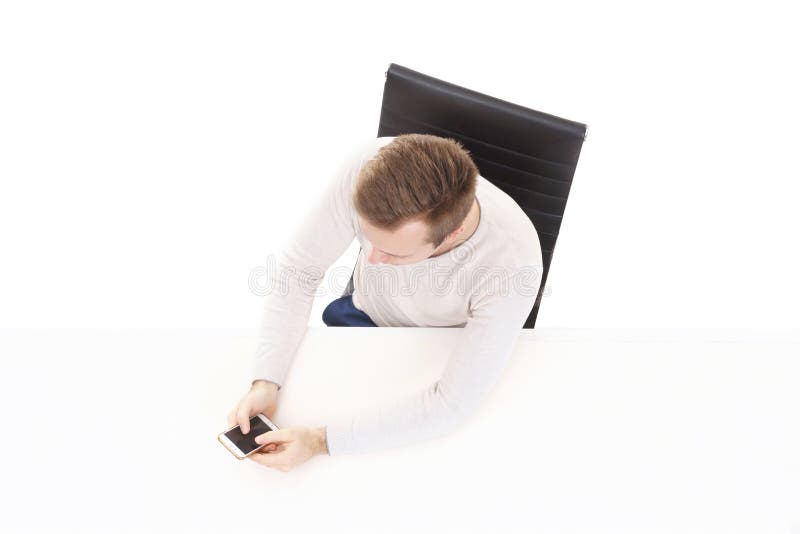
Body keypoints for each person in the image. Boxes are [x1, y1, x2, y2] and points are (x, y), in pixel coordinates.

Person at [227, 133, 543, 472]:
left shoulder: (512, 264)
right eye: (367, 239)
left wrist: (321, 442)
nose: (372, 259)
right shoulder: (367, 166)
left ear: (451, 234)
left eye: (393, 252)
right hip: (362, 313)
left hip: (441, 349)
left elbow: (452, 405)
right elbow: (299, 268)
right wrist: (266, 380)